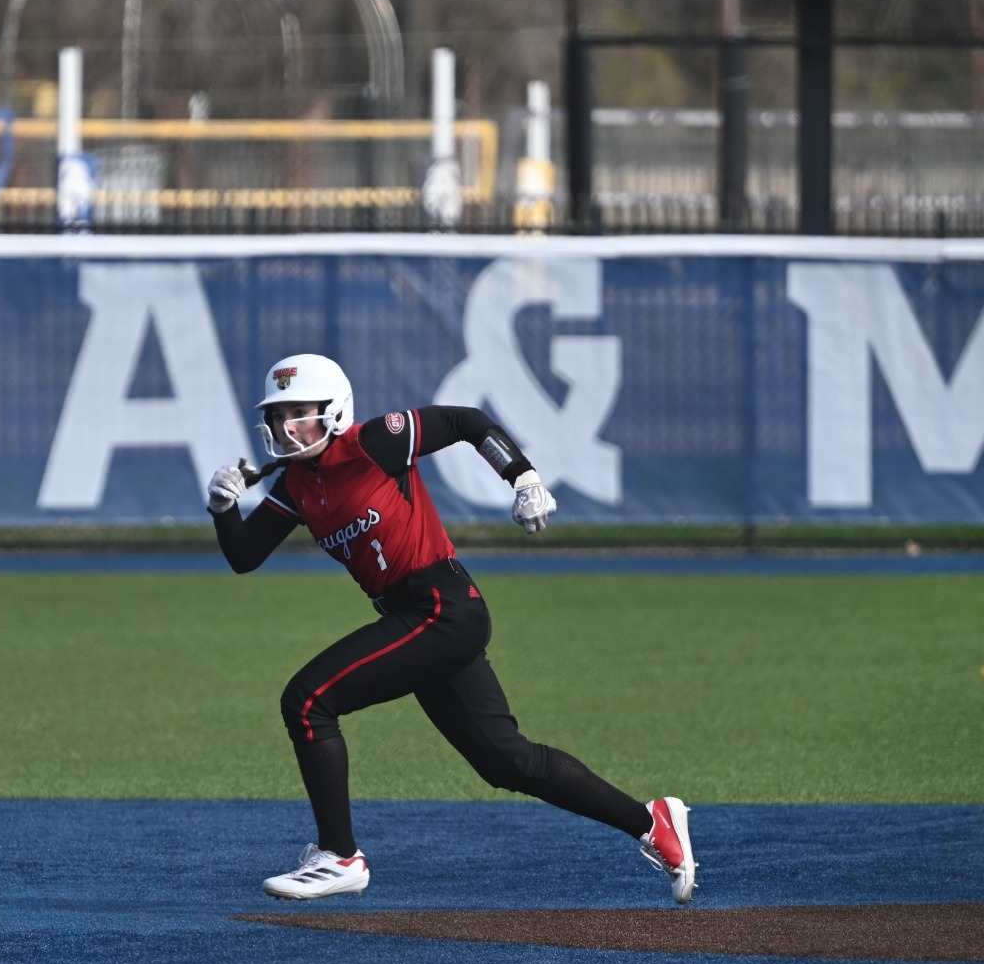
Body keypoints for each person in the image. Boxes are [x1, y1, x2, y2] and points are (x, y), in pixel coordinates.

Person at [208, 352, 696, 904]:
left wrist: (524, 476)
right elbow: (245, 555)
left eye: (299, 411)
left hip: (441, 605)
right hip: (417, 617)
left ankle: (340, 856)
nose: (286, 426)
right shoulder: (297, 482)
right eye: (278, 415)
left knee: (307, 700)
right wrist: (223, 506)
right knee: (507, 761)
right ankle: (653, 822)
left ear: (335, 411)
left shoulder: (374, 442)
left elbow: (466, 421)